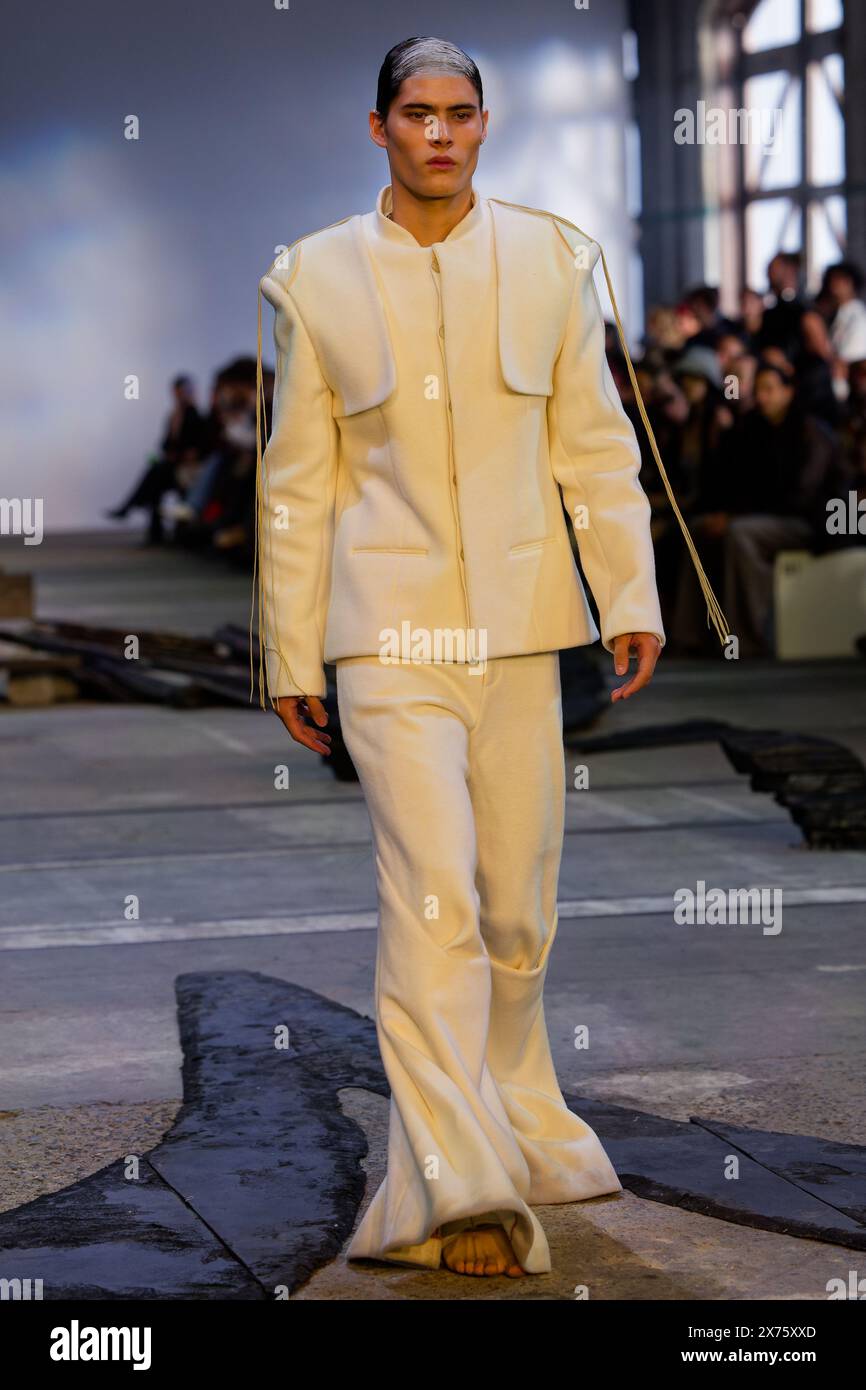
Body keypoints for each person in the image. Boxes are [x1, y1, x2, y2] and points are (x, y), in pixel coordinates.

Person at [253, 35, 725, 1278]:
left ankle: (516, 1112)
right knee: (433, 899)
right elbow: (296, 488)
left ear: (483, 123)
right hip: (388, 636)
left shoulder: (550, 260)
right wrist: (290, 654)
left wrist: (629, 591)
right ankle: (450, 1191)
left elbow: (593, 442)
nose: (441, 135)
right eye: (417, 113)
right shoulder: (313, 280)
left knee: (515, 908)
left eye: (462, 113)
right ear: (378, 129)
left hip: (521, 633)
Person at [106, 374, 205, 543]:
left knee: (155, 475)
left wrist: (179, 453)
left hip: (186, 468)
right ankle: (143, 520)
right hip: (173, 466)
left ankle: (130, 509)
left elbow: (196, 447)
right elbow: (165, 444)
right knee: (155, 476)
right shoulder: (174, 416)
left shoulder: (194, 414)